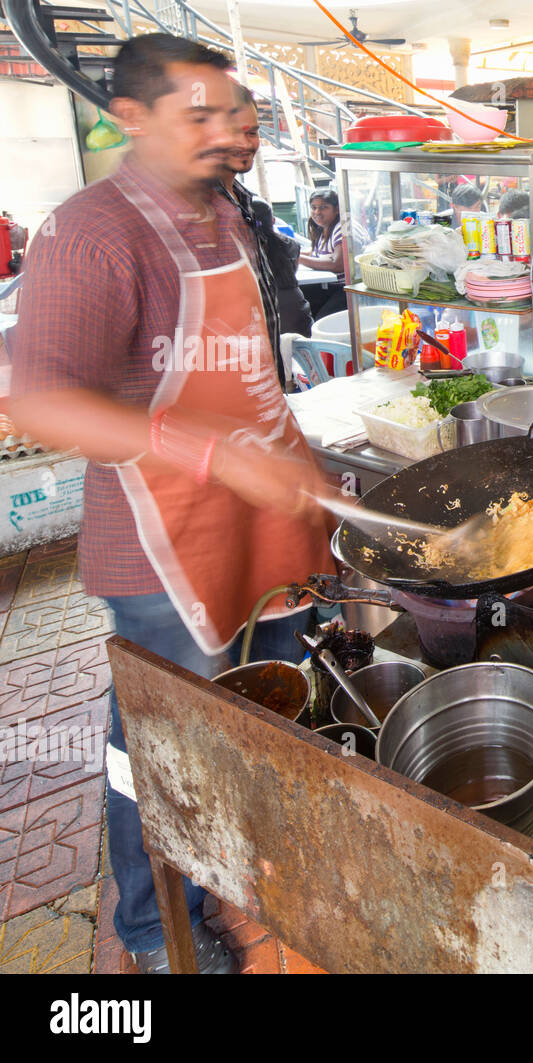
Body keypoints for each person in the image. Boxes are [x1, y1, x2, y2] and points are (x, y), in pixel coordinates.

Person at [8, 32, 336, 974]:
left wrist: (297, 458)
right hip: (164, 541)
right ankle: (157, 927)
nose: (224, 132)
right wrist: (210, 453)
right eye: (198, 115)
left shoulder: (221, 215)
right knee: (158, 748)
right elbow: (38, 398)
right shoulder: (90, 232)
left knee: (268, 705)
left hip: (271, 517)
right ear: (130, 118)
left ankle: (244, 856)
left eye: (229, 113)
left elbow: (247, 374)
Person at [219, 83, 312, 376]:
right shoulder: (197, 208)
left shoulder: (245, 200)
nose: (246, 143)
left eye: (252, 132)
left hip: (264, 367)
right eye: (233, 133)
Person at [299, 188, 346, 318]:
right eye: (314, 207)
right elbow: (316, 254)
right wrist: (293, 254)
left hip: (345, 290)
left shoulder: (342, 228)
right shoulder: (323, 228)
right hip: (328, 288)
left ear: (336, 209)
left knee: (319, 319)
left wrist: (297, 258)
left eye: (324, 207)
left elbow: (338, 264)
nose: (317, 212)